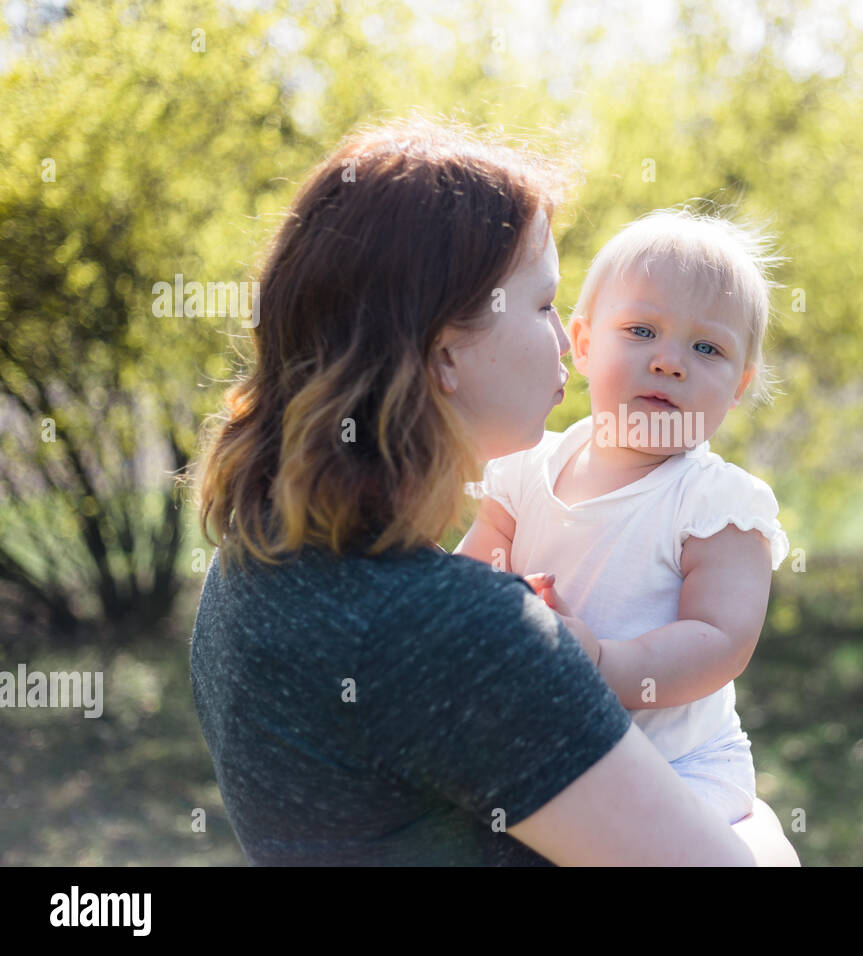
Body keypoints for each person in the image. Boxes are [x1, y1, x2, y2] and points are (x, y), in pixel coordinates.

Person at [186, 112, 799, 865]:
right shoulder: (459, 634)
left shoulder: (248, 567)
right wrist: (765, 843)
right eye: (545, 307)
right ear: (446, 354)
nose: (564, 345)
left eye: (704, 348)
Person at [456, 207, 789, 828]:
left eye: (706, 347)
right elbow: (467, 579)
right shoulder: (527, 468)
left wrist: (605, 666)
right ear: (582, 344)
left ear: (738, 385)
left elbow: (720, 639)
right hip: (551, 752)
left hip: (680, 765)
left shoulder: (716, 505)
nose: (670, 361)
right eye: (641, 332)